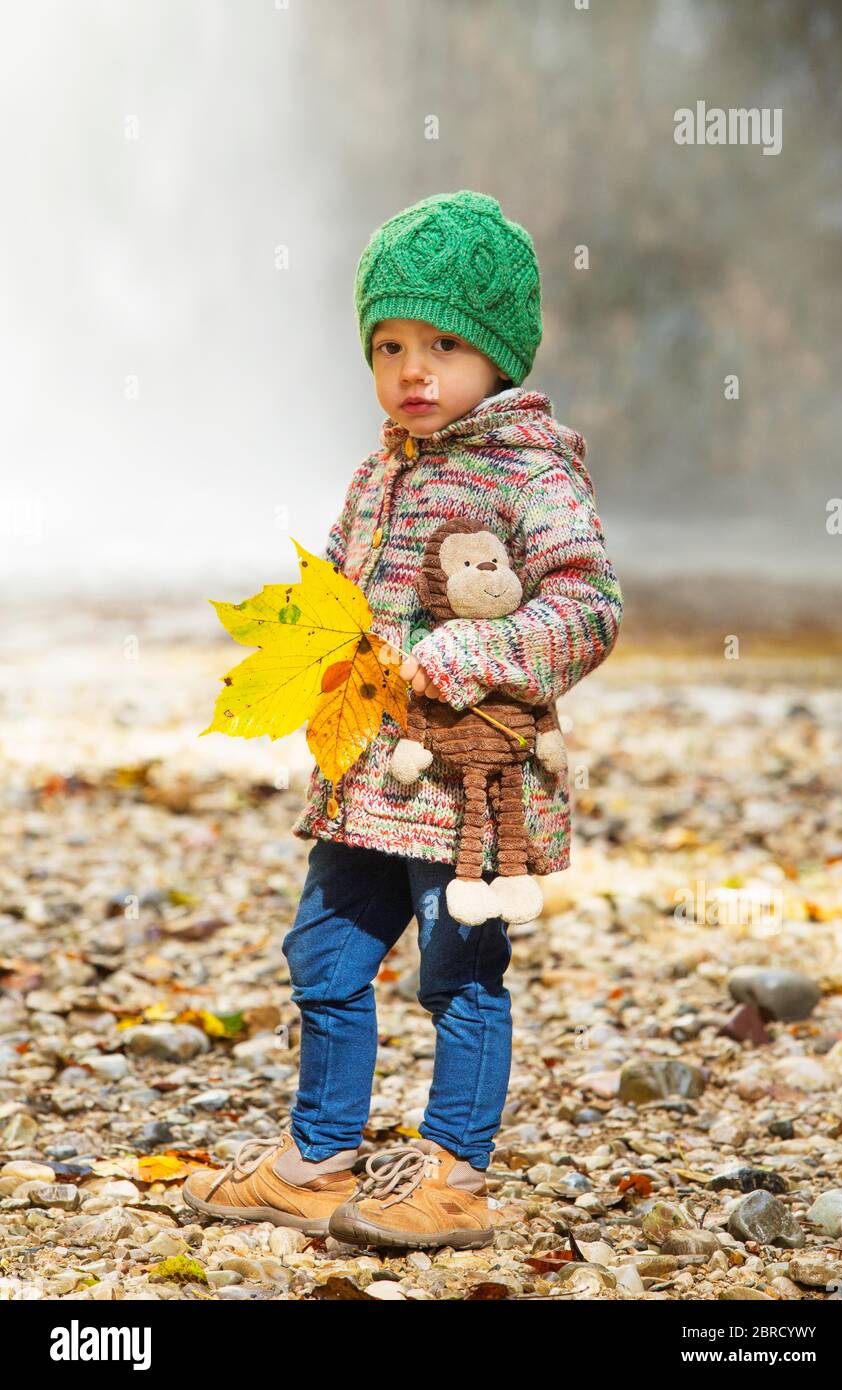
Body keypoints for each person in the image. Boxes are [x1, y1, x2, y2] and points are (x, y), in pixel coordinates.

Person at [183, 190, 622, 1250]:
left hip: (469, 786)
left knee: (457, 969)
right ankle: (317, 1152)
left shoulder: (529, 471)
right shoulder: (377, 471)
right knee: (322, 953)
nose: (410, 369)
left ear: (498, 353)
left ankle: (452, 1175)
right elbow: (343, 595)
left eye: (439, 342)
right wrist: (314, 659)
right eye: (387, 344)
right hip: (369, 780)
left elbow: (588, 604)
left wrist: (469, 650)